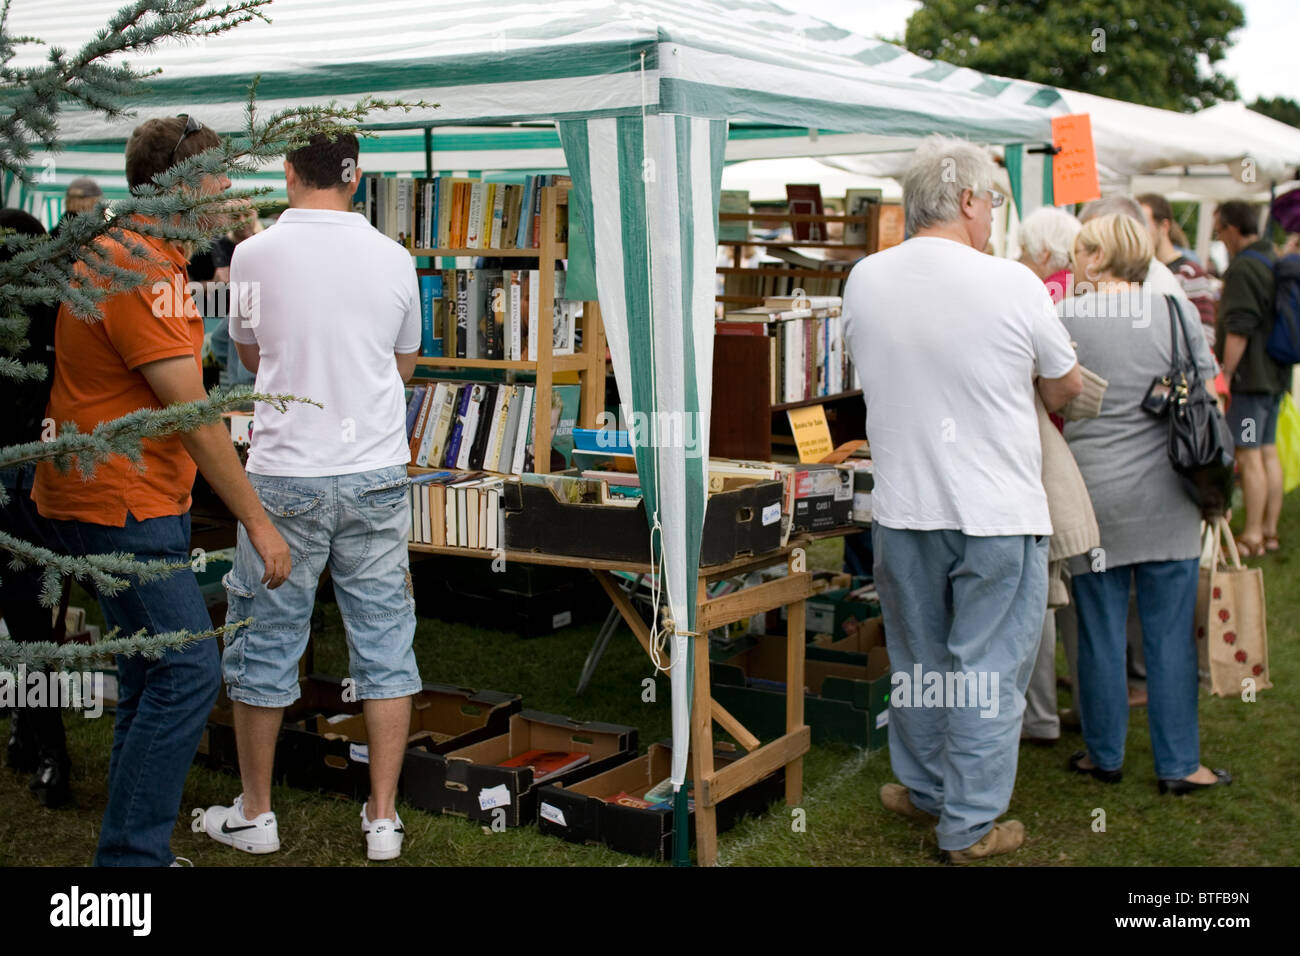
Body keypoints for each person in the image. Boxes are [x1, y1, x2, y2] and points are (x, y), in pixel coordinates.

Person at [32, 116, 292, 866]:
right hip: (121, 501)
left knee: (150, 672)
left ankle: (131, 850)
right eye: (217, 178)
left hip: (115, 495)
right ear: (183, 184)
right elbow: (194, 417)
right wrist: (260, 524)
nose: (226, 193)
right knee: (185, 671)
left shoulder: (131, 252)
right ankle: (130, 864)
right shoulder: (142, 266)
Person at [843, 135, 1082, 863]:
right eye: (993, 203)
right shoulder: (1012, 283)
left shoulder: (864, 278)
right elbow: (1066, 383)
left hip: (906, 508)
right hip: (996, 512)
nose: (992, 218)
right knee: (984, 672)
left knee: (918, 661)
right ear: (970, 199)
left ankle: (925, 791)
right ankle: (969, 824)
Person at [202, 132, 422, 862]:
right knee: (385, 641)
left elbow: (251, 353)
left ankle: (256, 812)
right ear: (356, 180)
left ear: (289, 172)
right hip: (376, 471)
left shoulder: (255, 254)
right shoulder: (395, 258)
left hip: (286, 472)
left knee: (266, 638)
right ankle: (384, 817)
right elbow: (404, 366)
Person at [1059, 214, 1230, 794]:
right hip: (1170, 495)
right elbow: (1207, 392)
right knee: (1169, 633)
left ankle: (1105, 755)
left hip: (1095, 500)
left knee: (1100, 632)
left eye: (1082, 249)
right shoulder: (1176, 310)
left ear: (1098, 257)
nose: (1075, 259)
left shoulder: (1066, 315)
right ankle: (1180, 764)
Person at [0, 209, 70, 807]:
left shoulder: (56, 313)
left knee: (27, 619)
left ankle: (48, 746)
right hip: (22, 477)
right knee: (25, 622)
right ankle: (33, 730)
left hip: (27, 481)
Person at [1014, 205, 1083, 746]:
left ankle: (1036, 714)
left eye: (1020, 250)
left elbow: (1061, 385)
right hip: (1070, 454)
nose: (1015, 260)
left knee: (1039, 592)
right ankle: (1062, 703)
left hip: (1045, 455)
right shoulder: (1073, 290)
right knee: (1060, 592)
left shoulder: (1045, 294)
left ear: (1040, 253)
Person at [1214, 200, 1288, 556]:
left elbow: (1239, 328)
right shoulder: (1273, 259)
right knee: (1268, 452)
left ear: (1231, 228)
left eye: (1218, 228)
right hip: (1274, 376)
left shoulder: (1244, 268)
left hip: (1250, 379)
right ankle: (1269, 531)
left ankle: (1252, 536)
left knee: (1250, 453)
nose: (1217, 236)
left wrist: (1226, 374)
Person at [1138, 193, 1219, 346]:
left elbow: (1205, 336)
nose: (1137, 233)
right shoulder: (1137, 271)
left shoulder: (1190, 273)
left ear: (1164, 227)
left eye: (1143, 225)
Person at [1017, 205, 1080, 304]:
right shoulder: (1076, 284)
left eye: (1024, 249)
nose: (1018, 259)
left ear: (1043, 253)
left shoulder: (1046, 294)